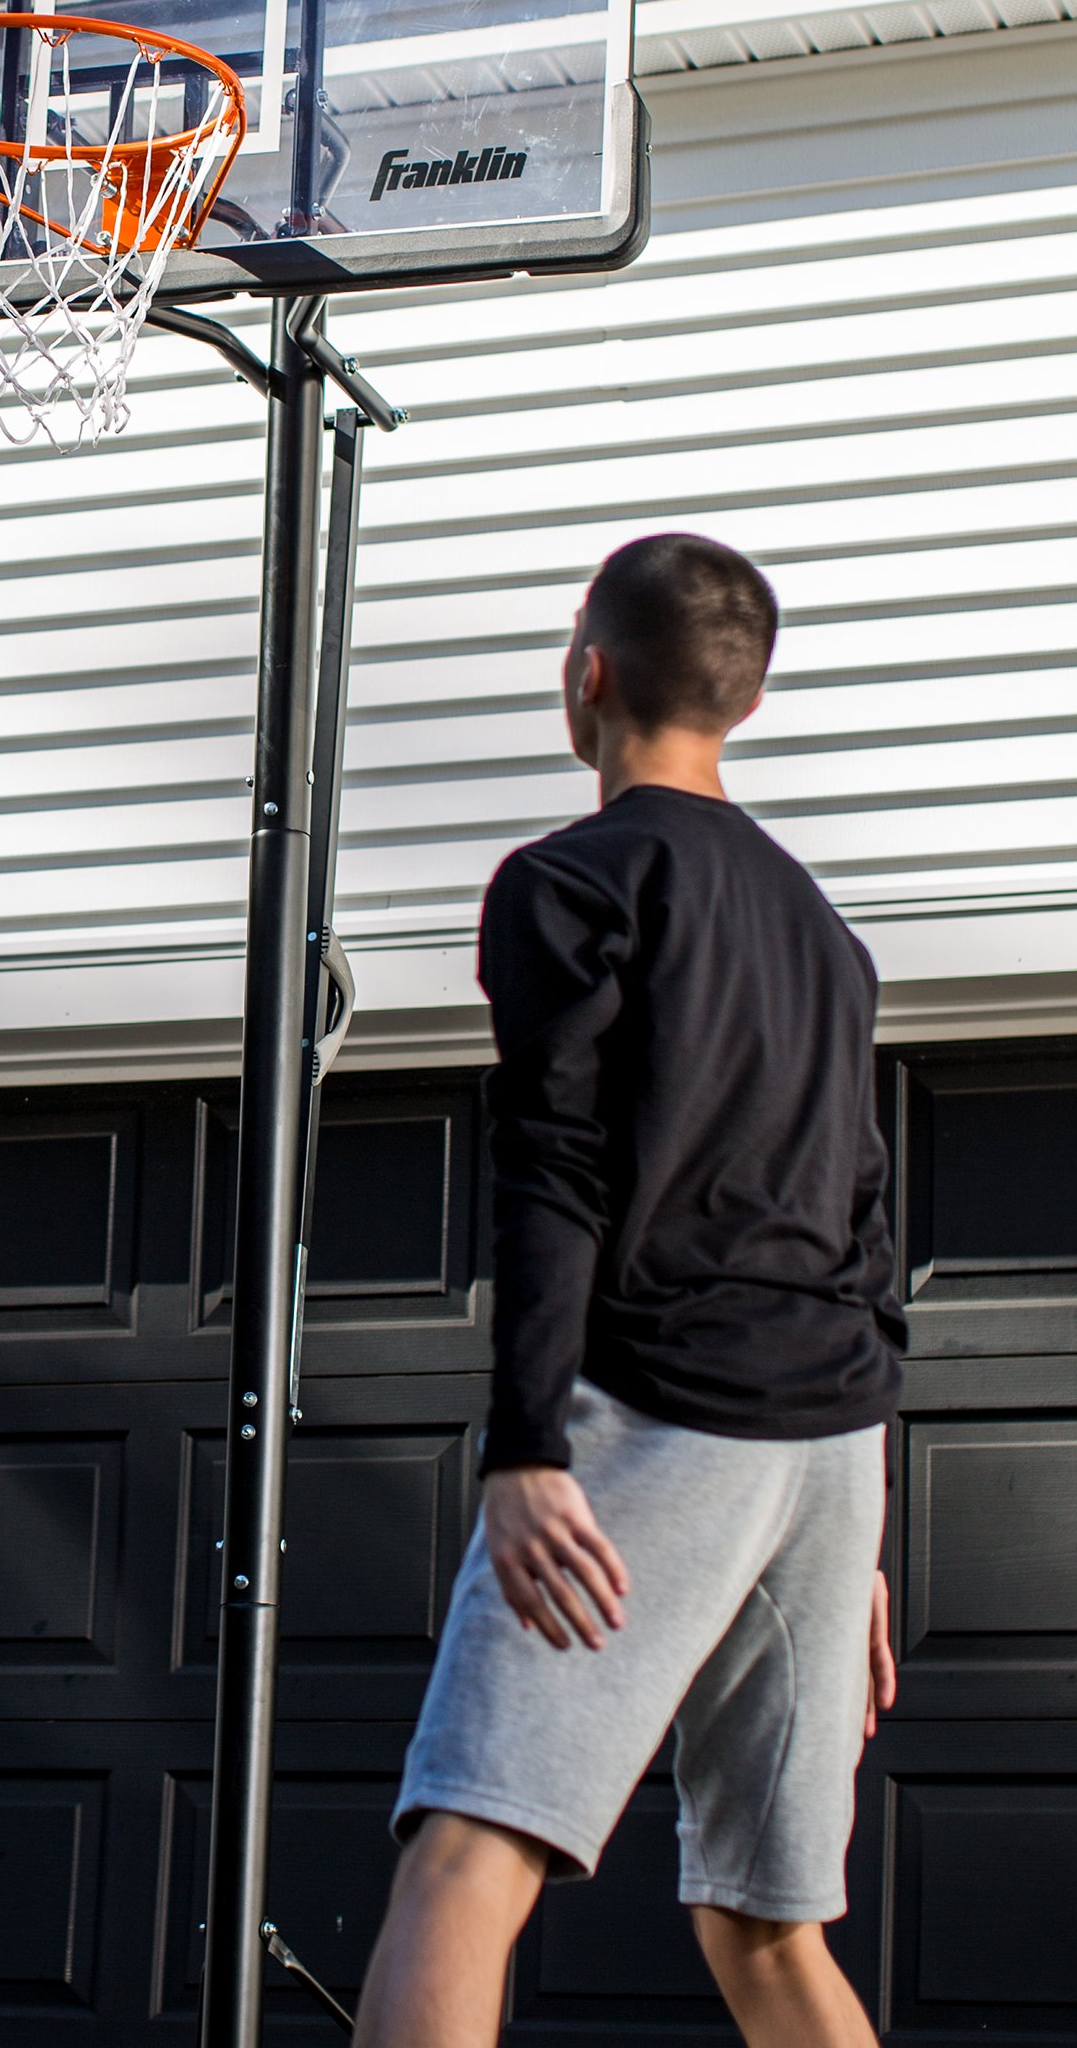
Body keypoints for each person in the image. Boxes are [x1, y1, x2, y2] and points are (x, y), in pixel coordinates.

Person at [354, 533, 907, 2048]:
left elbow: (553, 1176)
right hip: (827, 1456)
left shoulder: (569, 884)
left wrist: (526, 1446)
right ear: (747, 700)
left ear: (585, 677)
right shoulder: (828, 939)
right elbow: (866, 1223)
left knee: (464, 1858)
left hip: (662, 1421)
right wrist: (854, 1533)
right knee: (769, 1930)